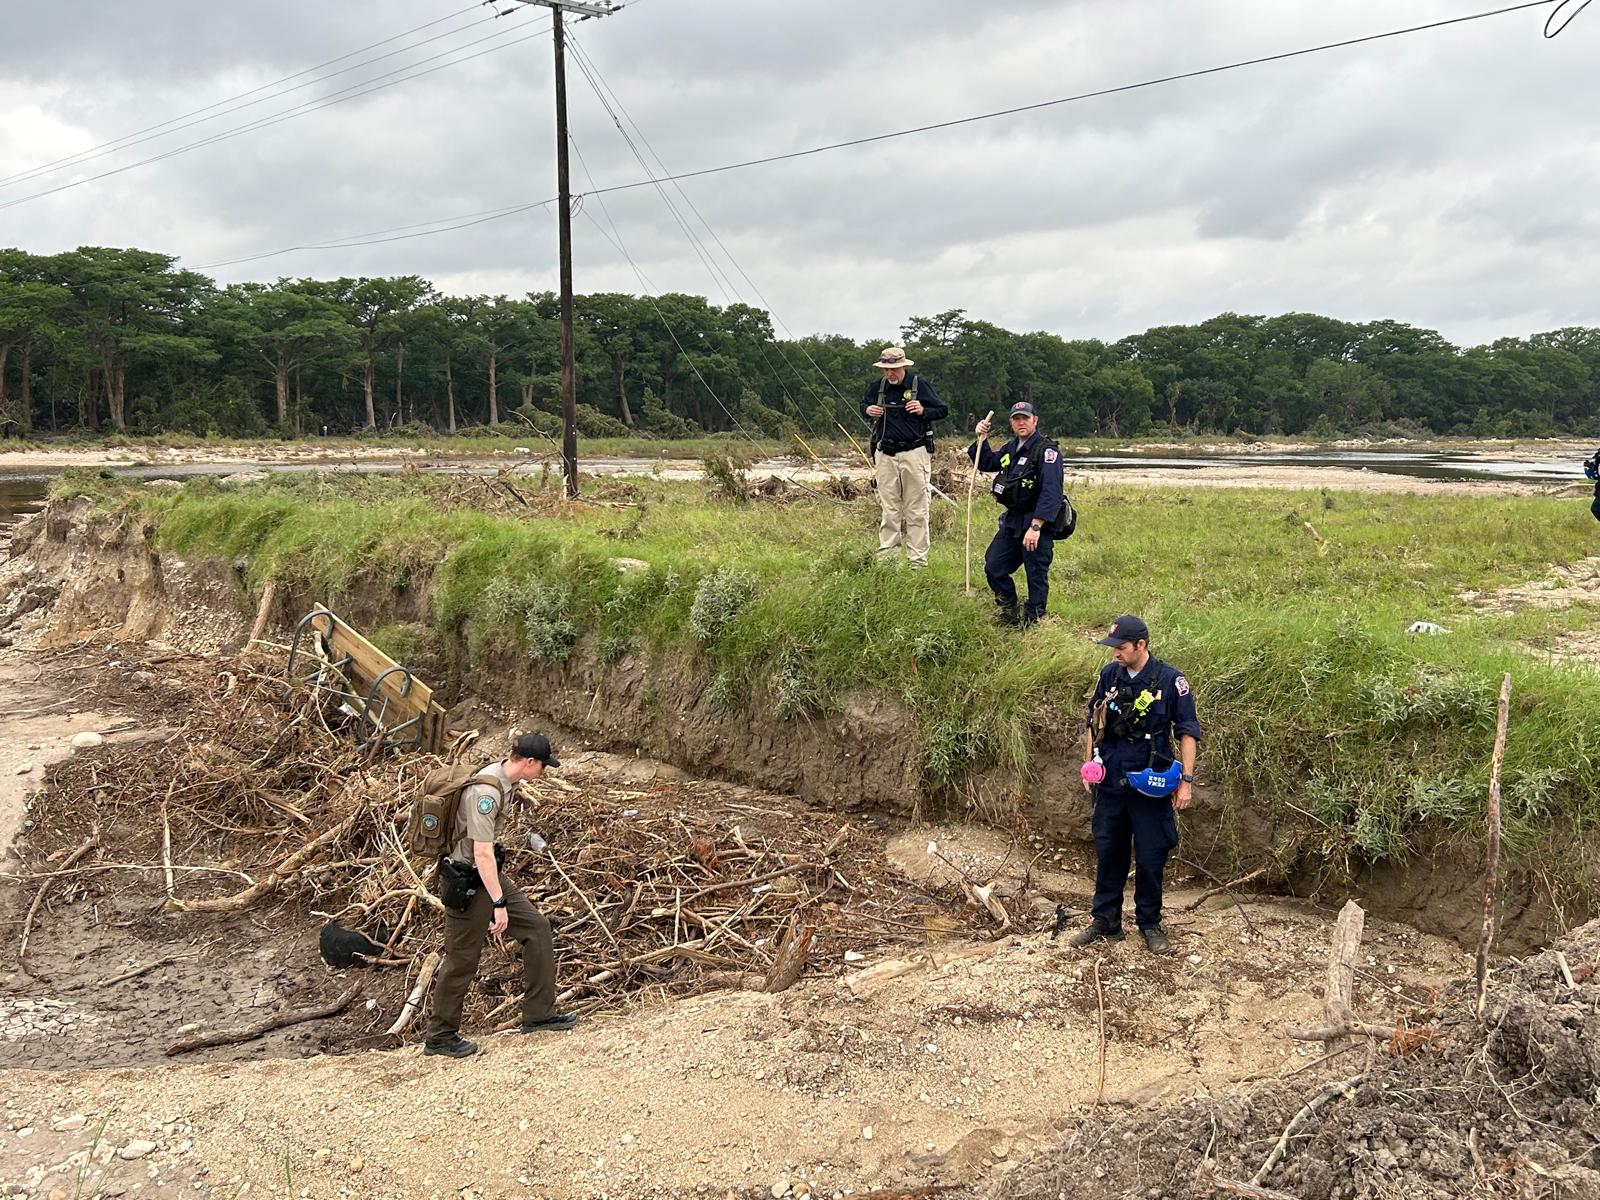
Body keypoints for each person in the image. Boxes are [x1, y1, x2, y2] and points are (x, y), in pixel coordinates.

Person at [424, 731, 577, 1058]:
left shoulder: (503, 780)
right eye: (543, 766)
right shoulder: (486, 793)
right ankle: (440, 1036)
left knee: (536, 928)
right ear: (530, 762)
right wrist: (498, 902)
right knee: (461, 959)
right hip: (467, 880)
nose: (544, 773)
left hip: (486, 875)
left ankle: (539, 1015)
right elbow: (480, 854)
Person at [1067, 616, 1201, 956]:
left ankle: (1149, 923)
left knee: (1151, 855)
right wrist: (1088, 766)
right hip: (1110, 781)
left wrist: (1185, 781)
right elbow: (1092, 721)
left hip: (1151, 785)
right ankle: (1105, 922)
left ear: (1141, 645)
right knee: (1109, 850)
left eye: (1121, 648)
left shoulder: (1171, 680)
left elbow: (1187, 732)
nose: (1115, 654)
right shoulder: (1109, 676)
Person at [968, 401, 1068, 626]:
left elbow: (1051, 492)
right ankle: (1009, 610)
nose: (1021, 422)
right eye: (1016, 418)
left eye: (1025, 418)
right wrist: (980, 439)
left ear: (1035, 420)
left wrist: (1036, 526)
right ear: (1012, 422)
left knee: (1035, 574)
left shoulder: (1046, 451)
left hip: (1036, 524)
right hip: (1013, 522)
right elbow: (985, 462)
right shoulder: (1011, 449)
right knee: (994, 566)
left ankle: (1035, 621)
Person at [861, 346, 947, 568]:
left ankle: (917, 563)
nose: (890, 374)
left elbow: (942, 410)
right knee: (889, 510)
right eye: (886, 370)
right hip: (885, 454)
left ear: (903, 366)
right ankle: (887, 563)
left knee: (917, 510)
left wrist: (922, 410)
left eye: (894, 369)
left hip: (914, 453)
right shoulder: (877, 387)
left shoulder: (919, 384)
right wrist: (868, 409)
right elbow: (863, 405)